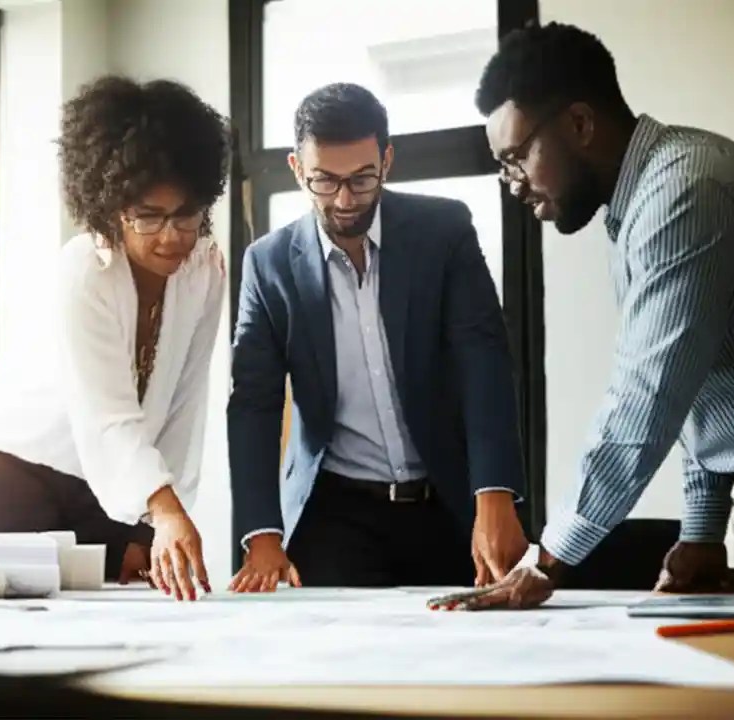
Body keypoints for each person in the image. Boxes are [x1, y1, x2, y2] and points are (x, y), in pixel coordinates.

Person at [455, 22, 734, 611]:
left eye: (515, 157)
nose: (513, 185)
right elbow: (699, 386)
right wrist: (703, 533)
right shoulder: (644, 200)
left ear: (579, 124)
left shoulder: (684, 193)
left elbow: (647, 396)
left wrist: (547, 559)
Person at [227, 82, 530, 591]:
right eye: (324, 180)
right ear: (297, 169)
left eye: (362, 178)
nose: (344, 200)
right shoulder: (268, 264)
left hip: (449, 499)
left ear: (387, 161)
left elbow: (485, 361)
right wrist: (262, 532)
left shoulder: (444, 230)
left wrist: (495, 492)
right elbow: (253, 401)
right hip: (336, 513)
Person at [0, 76, 230, 602]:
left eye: (185, 214)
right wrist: (163, 509)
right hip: (7, 460)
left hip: (98, 475)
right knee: (35, 620)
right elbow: (107, 417)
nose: (171, 235)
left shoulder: (205, 271)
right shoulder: (83, 270)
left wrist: (157, 522)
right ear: (110, 207)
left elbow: (184, 407)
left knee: (132, 600)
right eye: (148, 215)